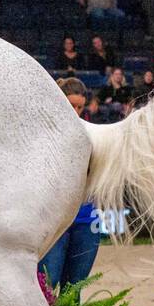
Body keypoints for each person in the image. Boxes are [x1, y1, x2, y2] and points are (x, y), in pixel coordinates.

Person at [39, 78, 102, 290]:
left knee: (75, 288)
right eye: (70, 104)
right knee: (48, 282)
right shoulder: (42, 134)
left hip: (86, 220)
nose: (74, 111)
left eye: (79, 107)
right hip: (54, 218)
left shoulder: (92, 135)